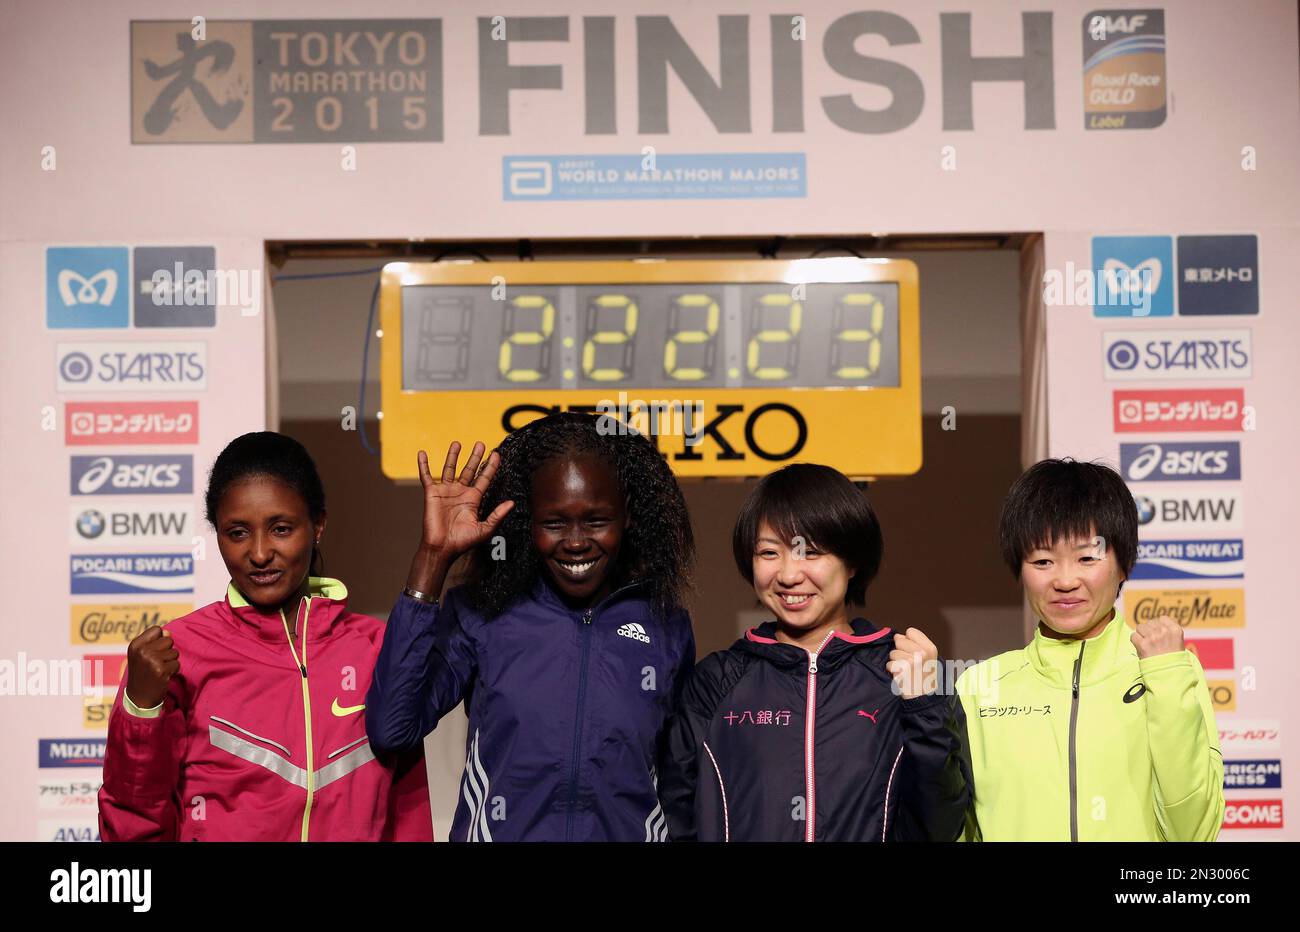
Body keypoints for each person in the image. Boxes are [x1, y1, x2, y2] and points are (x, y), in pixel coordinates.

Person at [366, 411, 697, 841]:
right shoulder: (481, 612)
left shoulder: (665, 625)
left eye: (596, 521)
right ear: (527, 523)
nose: (576, 542)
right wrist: (433, 557)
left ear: (628, 517)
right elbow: (393, 728)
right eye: (554, 523)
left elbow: (679, 783)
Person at [98, 432, 433, 842]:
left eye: (280, 528)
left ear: (318, 525)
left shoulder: (376, 647)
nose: (258, 553)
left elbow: (409, 809)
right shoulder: (179, 652)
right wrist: (139, 711)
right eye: (237, 532)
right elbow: (133, 821)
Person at [657, 463, 969, 841]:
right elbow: (678, 816)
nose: (789, 575)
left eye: (810, 552)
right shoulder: (715, 682)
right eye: (769, 553)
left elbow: (940, 826)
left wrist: (924, 706)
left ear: (852, 561)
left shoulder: (900, 674)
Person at [957, 458, 1224, 841]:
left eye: (1087, 558)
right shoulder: (979, 686)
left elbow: (1194, 832)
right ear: (1020, 569)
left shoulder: (1168, 671)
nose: (1065, 580)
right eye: (1043, 561)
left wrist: (1165, 677)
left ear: (1124, 565)